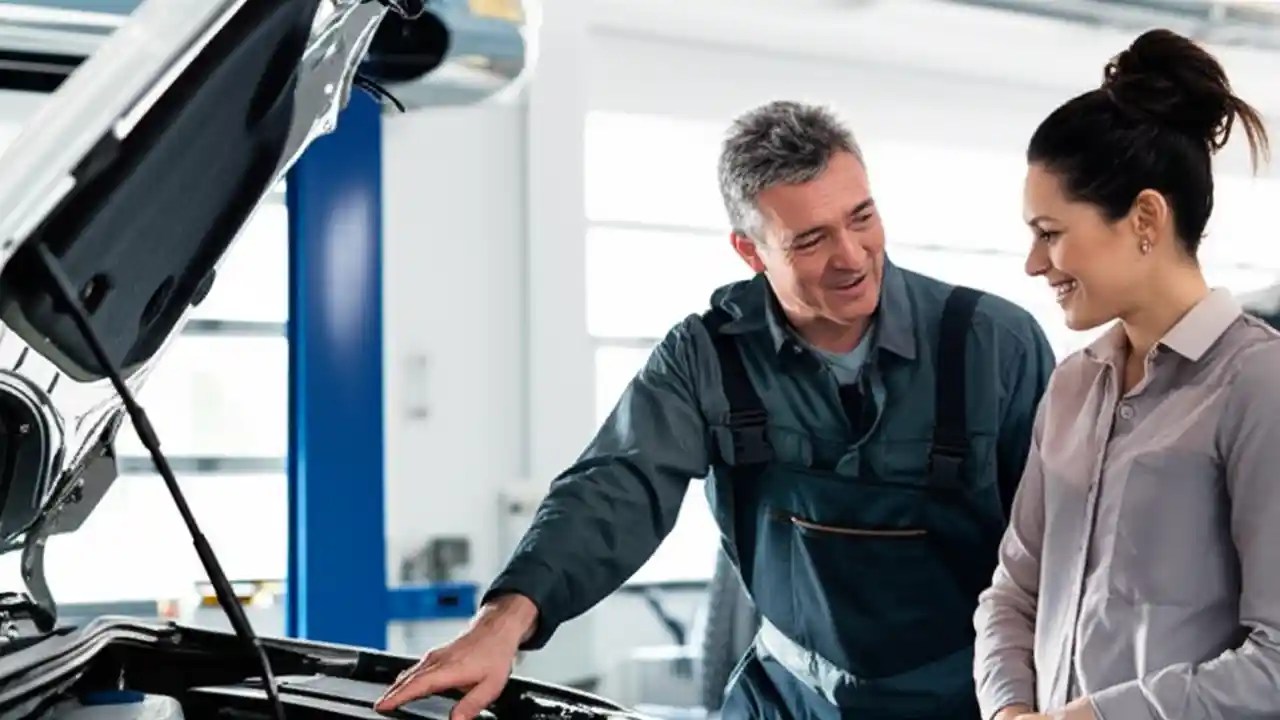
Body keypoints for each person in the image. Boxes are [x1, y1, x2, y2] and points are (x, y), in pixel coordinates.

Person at [376, 100, 1056, 719]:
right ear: (750, 250)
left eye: (862, 217)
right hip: (786, 701)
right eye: (810, 240)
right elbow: (616, 486)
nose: (852, 257)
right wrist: (501, 624)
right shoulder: (705, 357)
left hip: (964, 701)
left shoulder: (992, 344)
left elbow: (1062, 554)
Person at [973, 28, 1279, 720]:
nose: (1033, 262)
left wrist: (1096, 717)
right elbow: (1014, 592)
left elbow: (1277, 665)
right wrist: (1007, 709)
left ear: (1145, 217)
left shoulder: (1260, 385)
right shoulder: (1073, 387)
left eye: (1050, 232)